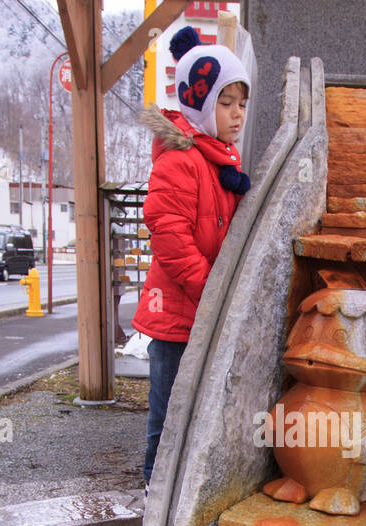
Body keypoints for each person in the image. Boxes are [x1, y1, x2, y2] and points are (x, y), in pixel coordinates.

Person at [134, 26, 251, 490]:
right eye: (226, 103)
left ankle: (180, 492)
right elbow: (171, 239)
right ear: (199, 104)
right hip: (179, 315)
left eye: (241, 102)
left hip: (202, 311)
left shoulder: (221, 160)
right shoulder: (181, 160)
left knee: (199, 409)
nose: (237, 113)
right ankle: (153, 491)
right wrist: (213, 293)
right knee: (169, 412)